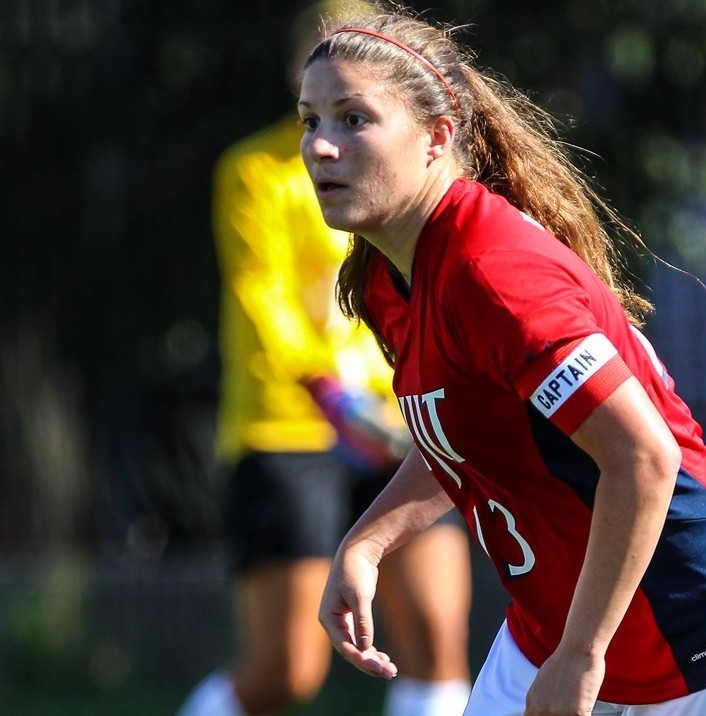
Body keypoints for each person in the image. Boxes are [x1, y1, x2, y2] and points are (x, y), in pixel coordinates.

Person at [299, 6, 706, 715]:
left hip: (702, 643)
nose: (321, 146)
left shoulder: (492, 275)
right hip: (562, 637)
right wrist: (365, 544)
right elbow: (464, 437)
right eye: (310, 120)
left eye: (353, 119)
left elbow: (642, 458)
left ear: (437, 137)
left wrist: (578, 655)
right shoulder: (392, 276)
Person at [175, 4, 472, 715]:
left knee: (435, 638)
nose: (328, 142)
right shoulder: (256, 171)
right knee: (289, 671)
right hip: (291, 430)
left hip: (399, 427)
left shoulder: (424, 181)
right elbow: (262, 297)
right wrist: (330, 395)